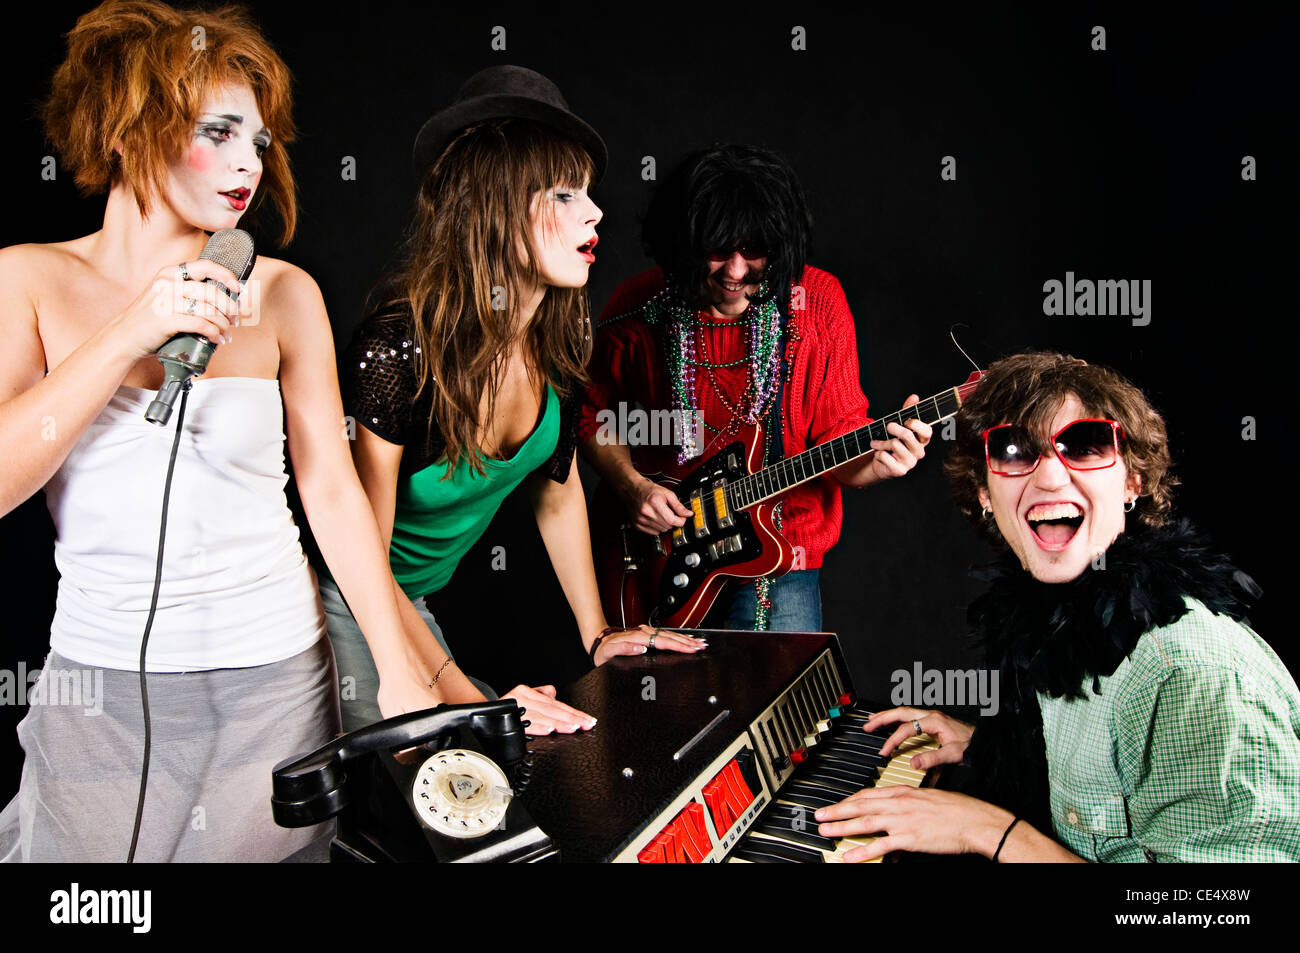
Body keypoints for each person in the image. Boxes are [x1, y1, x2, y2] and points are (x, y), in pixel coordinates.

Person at [0, 0, 453, 862]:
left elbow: (331, 492)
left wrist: (398, 663)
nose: (250, 162)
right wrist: (129, 333)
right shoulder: (25, 280)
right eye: (220, 132)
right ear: (126, 131)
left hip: (277, 680)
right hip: (100, 691)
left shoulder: (283, 294)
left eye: (260, 140)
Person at [323, 65, 705, 733]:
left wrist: (596, 635)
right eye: (564, 194)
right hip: (342, 600)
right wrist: (469, 699)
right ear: (494, 205)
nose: (595, 212)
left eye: (589, 192)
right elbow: (362, 556)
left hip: (411, 601)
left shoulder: (556, 346)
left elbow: (557, 489)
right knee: (457, 759)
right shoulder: (399, 350)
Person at [815, 352, 1300, 862]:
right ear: (984, 492)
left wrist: (989, 831)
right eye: (1013, 450)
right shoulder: (1062, 620)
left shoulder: (1192, 672)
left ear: (1132, 480)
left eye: (1084, 446)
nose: (1049, 477)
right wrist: (991, 747)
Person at [579, 144, 932, 632]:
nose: (735, 272)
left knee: (777, 684)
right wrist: (632, 487)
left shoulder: (817, 304)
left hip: (781, 557)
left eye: (755, 252)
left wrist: (879, 462)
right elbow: (592, 413)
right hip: (657, 558)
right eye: (716, 251)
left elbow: (839, 434)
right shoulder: (640, 306)